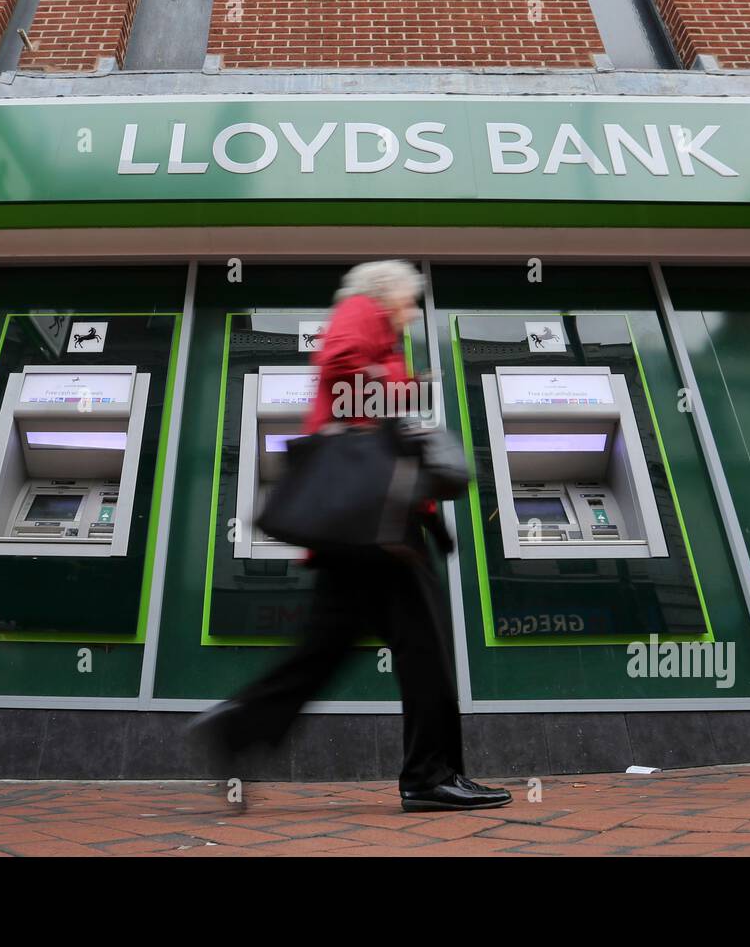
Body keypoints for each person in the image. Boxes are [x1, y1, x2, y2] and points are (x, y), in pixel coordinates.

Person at [191, 260, 511, 812]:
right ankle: (429, 777)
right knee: (427, 649)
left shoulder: (379, 331)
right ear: (387, 295)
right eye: (409, 301)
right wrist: (403, 390)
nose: (411, 312)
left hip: (363, 528)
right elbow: (338, 361)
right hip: (378, 527)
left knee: (325, 648)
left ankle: (238, 726)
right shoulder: (362, 312)